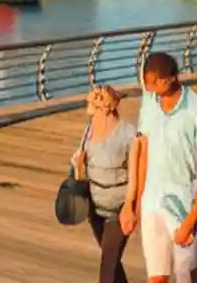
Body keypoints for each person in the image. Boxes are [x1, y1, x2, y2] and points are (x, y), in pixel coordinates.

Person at [127, 52, 197, 283]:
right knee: (157, 278)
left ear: (172, 78)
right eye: (148, 83)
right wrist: (133, 203)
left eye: (156, 82)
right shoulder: (149, 103)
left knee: (185, 275)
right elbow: (142, 154)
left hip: (184, 206)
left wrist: (192, 220)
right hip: (151, 205)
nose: (152, 87)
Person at [72, 85, 137, 283]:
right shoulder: (90, 128)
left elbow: (136, 174)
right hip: (94, 206)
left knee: (107, 267)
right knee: (112, 261)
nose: (91, 108)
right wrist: (78, 164)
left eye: (96, 104)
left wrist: (130, 206)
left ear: (108, 106)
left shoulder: (129, 133)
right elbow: (82, 161)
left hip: (118, 207)